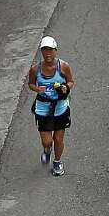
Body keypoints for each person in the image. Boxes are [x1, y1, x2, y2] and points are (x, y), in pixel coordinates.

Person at [26, 36, 74, 177]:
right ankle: (47, 151)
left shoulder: (63, 66)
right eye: (44, 50)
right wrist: (37, 89)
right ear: (41, 51)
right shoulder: (35, 69)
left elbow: (71, 81)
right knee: (47, 141)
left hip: (60, 106)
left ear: (55, 50)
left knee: (58, 139)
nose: (48, 53)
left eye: (50, 50)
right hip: (43, 108)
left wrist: (66, 87)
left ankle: (57, 161)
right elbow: (31, 84)